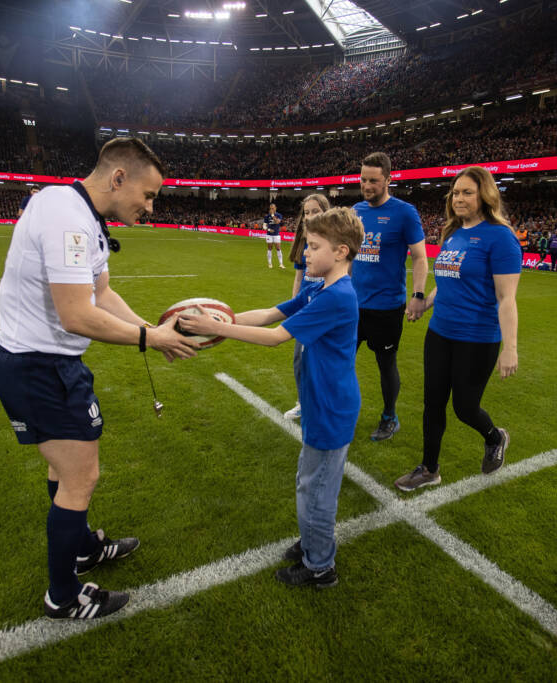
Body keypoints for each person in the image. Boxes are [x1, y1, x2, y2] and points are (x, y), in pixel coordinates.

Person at [0, 138, 198, 620]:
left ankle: (82, 549)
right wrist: (151, 342)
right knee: (82, 475)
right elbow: (76, 315)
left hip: (46, 364)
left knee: (66, 470)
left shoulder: (85, 219)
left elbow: (101, 292)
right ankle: (62, 596)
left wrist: (151, 327)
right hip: (38, 366)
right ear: (117, 178)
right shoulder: (66, 215)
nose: (150, 207)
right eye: (147, 196)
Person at [179, 207, 364, 588]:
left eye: (313, 246)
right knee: (309, 478)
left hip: (332, 407)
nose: (305, 253)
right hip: (319, 400)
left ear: (341, 252)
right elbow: (269, 314)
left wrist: (216, 328)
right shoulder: (318, 287)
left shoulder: (338, 296)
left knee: (316, 488)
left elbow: (278, 336)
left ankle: (320, 567)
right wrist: (223, 319)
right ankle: (315, 542)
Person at [394, 166, 520, 491]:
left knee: (464, 408)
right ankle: (429, 468)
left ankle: (495, 437)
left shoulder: (501, 238)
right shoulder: (453, 234)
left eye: (467, 192)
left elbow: (507, 299)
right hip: (440, 334)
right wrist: (425, 302)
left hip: (477, 339)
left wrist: (511, 348)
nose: (458, 198)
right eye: (455, 192)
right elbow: (447, 282)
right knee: (433, 403)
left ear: (485, 195)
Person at [352, 152, 428, 441]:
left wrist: (418, 294)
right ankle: (342, 410)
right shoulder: (356, 210)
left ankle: (389, 416)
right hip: (353, 304)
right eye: (363, 179)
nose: (366, 185)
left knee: (386, 365)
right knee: (342, 359)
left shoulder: (404, 212)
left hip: (386, 306)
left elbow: (420, 258)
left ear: (388, 180)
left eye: (373, 180)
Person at [283, 193, 330, 421]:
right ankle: (303, 402)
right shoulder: (304, 241)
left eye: (315, 211)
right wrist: (295, 306)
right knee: (300, 359)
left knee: (322, 360)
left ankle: (324, 405)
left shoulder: (335, 242)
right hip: (305, 308)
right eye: (307, 212)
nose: (310, 216)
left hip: (325, 310)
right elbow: (298, 278)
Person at [264, 202, 286, 269]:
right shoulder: (267, 216)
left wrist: (273, 215)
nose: (272, 209)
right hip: (269, 235)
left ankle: (281, 264)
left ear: (275, 208)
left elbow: (277, 222)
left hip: (276, 234)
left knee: (278, 248)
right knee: (270, 248)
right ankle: (270, 264)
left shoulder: (279, 215)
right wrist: (268, 230)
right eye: (271, 208)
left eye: (273, 208)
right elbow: (264, 226)